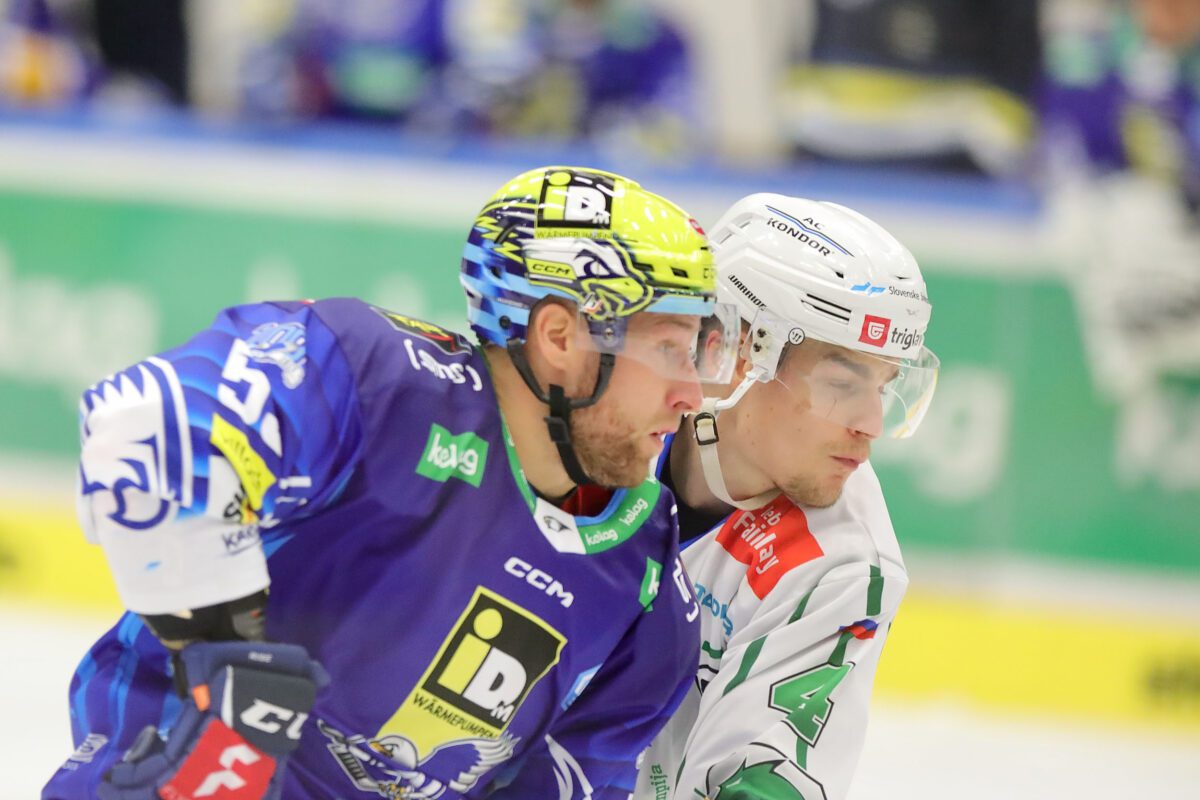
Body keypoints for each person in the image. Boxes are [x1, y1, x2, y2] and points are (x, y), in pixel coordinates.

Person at [42, 165, 741, 799]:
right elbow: (146, 430)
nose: (691, 394)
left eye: (697, 352)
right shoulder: (375, 382)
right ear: (559, 337)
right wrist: (230, 675)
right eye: (668, 347)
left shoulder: (649, 594)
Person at [634, 194, 939, 799]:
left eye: (885, 385)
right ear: (738, 349)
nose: (872, 424)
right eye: (842, 381)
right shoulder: (607, 425)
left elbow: (758, 780)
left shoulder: (841, 563)